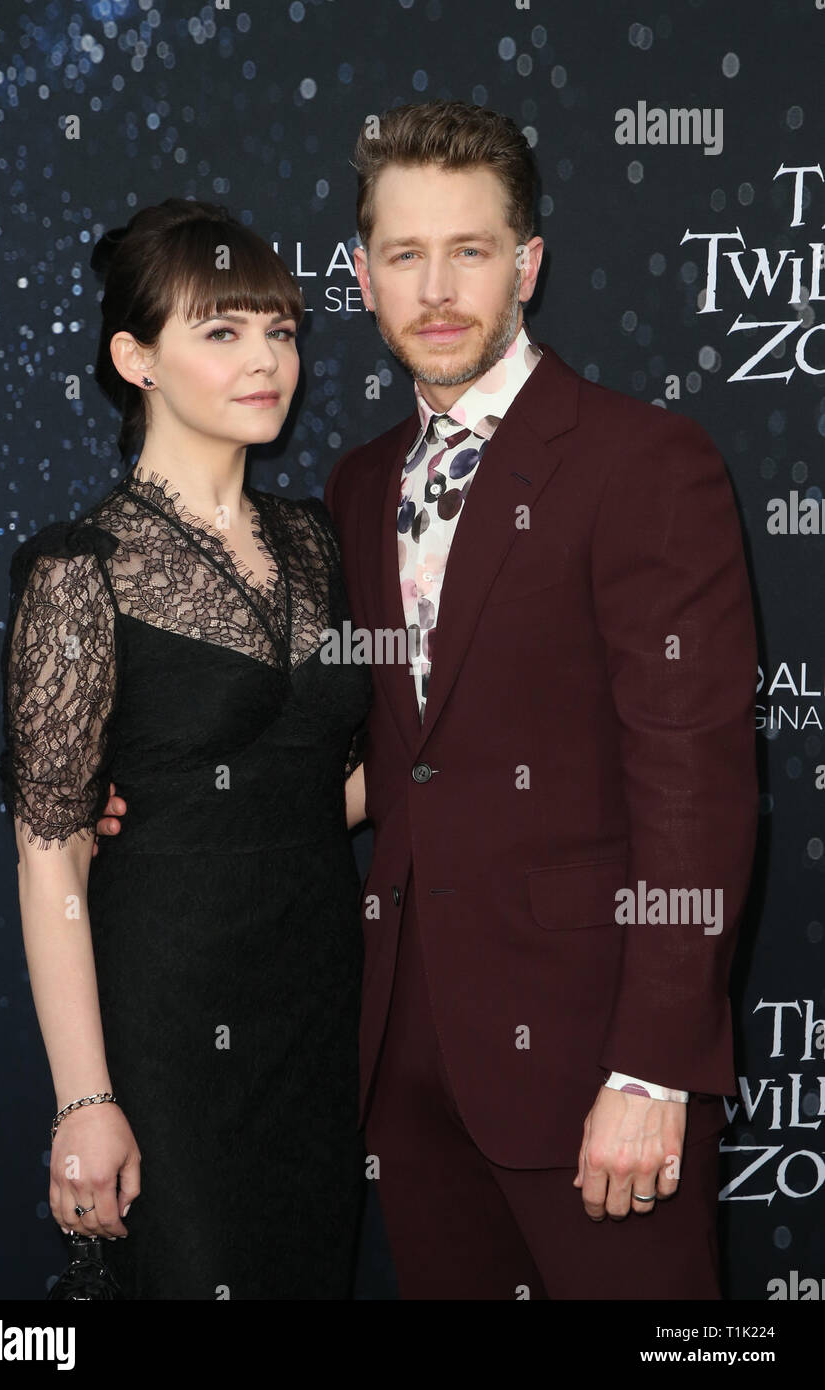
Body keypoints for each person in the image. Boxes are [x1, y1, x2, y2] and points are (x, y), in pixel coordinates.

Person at [98, 101, 759, 1300]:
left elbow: (696, 787)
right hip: (404, 1065)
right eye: (405, 254)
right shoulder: (351, 491)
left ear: (529, 265)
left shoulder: (643, 463)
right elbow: (377, 758)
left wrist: (655, 1069)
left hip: (592, 1066)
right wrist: (177, 807)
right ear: (361, 276)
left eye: (471, 250)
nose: (438, 287)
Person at [0, 198, 371, 1300]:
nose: (267, 360)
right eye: (223, 331)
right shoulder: (82, 570)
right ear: (136, 357)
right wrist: (84, 1097)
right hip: (164, 1020)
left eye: (281, 329)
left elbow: (327, 786)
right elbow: (50, 852)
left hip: (317, 1016)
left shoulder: (318, 540)